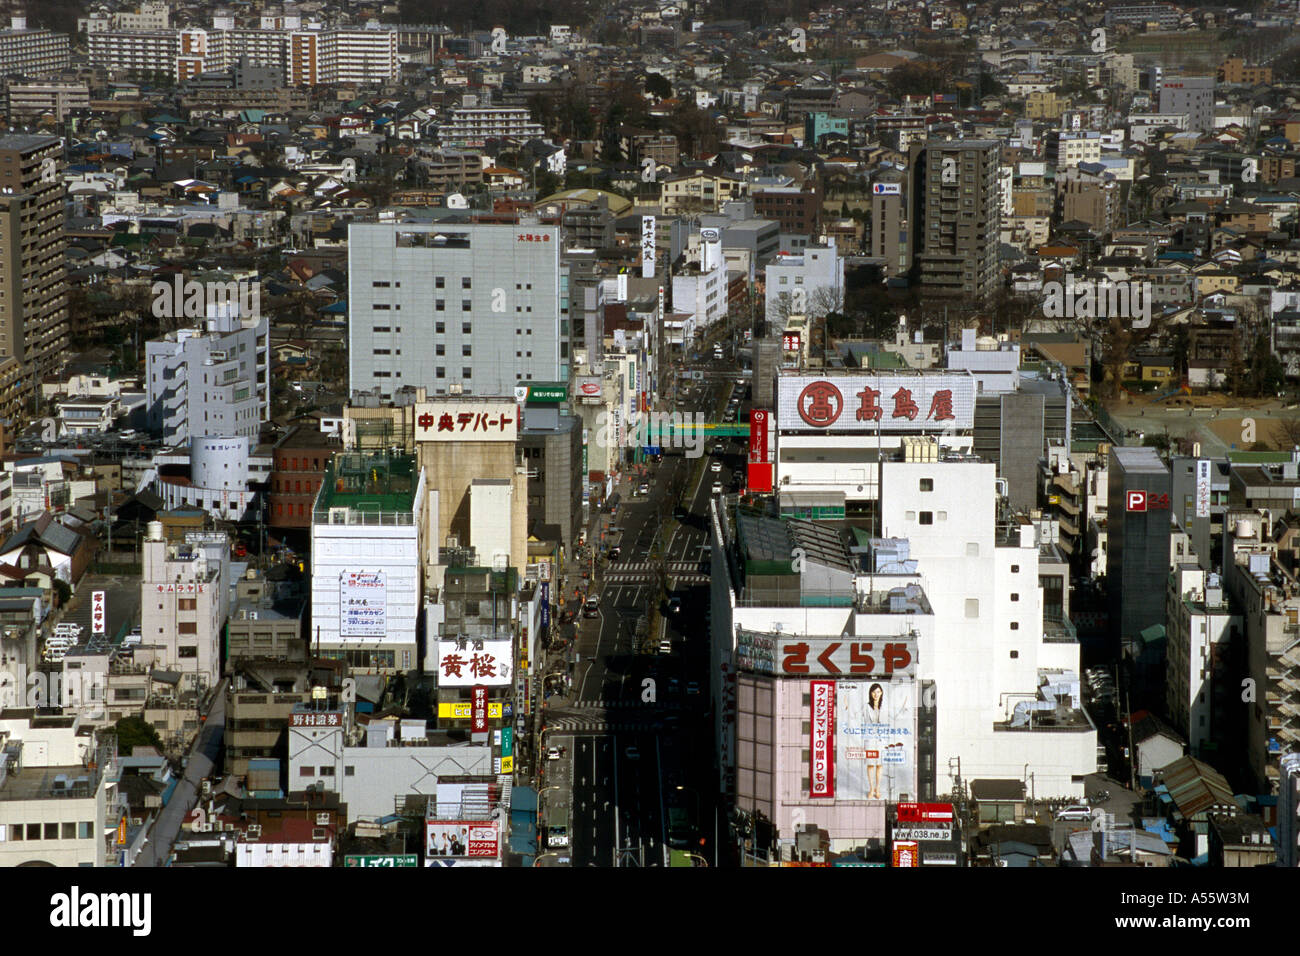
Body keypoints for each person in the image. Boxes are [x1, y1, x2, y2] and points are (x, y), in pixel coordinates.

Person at [865, 683, 885, 800]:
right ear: (870, 694)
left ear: (881, 692)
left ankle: (878, 788)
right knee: (870, 764)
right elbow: (856, 715)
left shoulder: (884, 707)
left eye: (878, 692)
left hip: (881, 739)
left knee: (879, 764)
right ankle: (871, 788)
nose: (876, 694)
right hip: (870, 739)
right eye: (873, 692)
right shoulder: (866, 707)